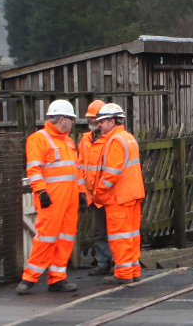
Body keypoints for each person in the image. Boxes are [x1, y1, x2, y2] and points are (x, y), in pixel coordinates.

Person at [17, 99, 85, 295]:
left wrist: (81, 193)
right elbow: (34, 168)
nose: (73, 123)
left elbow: (76, 170)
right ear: (62, 119)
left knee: (65, 239)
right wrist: (40, 191)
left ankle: (57, 279)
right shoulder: (39, 139)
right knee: (46, 238)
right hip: (51, 198)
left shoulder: (68, 141)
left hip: (69, 199)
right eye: (71, 119)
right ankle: (29, 278)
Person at [88, 103, 145, 284]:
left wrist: (98, 191)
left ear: (112, 121)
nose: (99, 125)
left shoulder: (114, 141)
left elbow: (111, 173)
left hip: (119, 197)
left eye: (102, 121)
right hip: (133, 193)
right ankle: (133, 269)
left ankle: (123, 274)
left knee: (119, 236)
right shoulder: (128, 138)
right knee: (132, 235)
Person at [78, 99, 112, 276]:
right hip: (94, 195)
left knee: (115, 231)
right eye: (90, 118)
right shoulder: (85, 140)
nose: (92, 121)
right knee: (98, 231)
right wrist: (83, 192)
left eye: (95, 118)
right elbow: (81, 167)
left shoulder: (111, 140)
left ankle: (118, 264)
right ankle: (104, 263)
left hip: (109, 194)